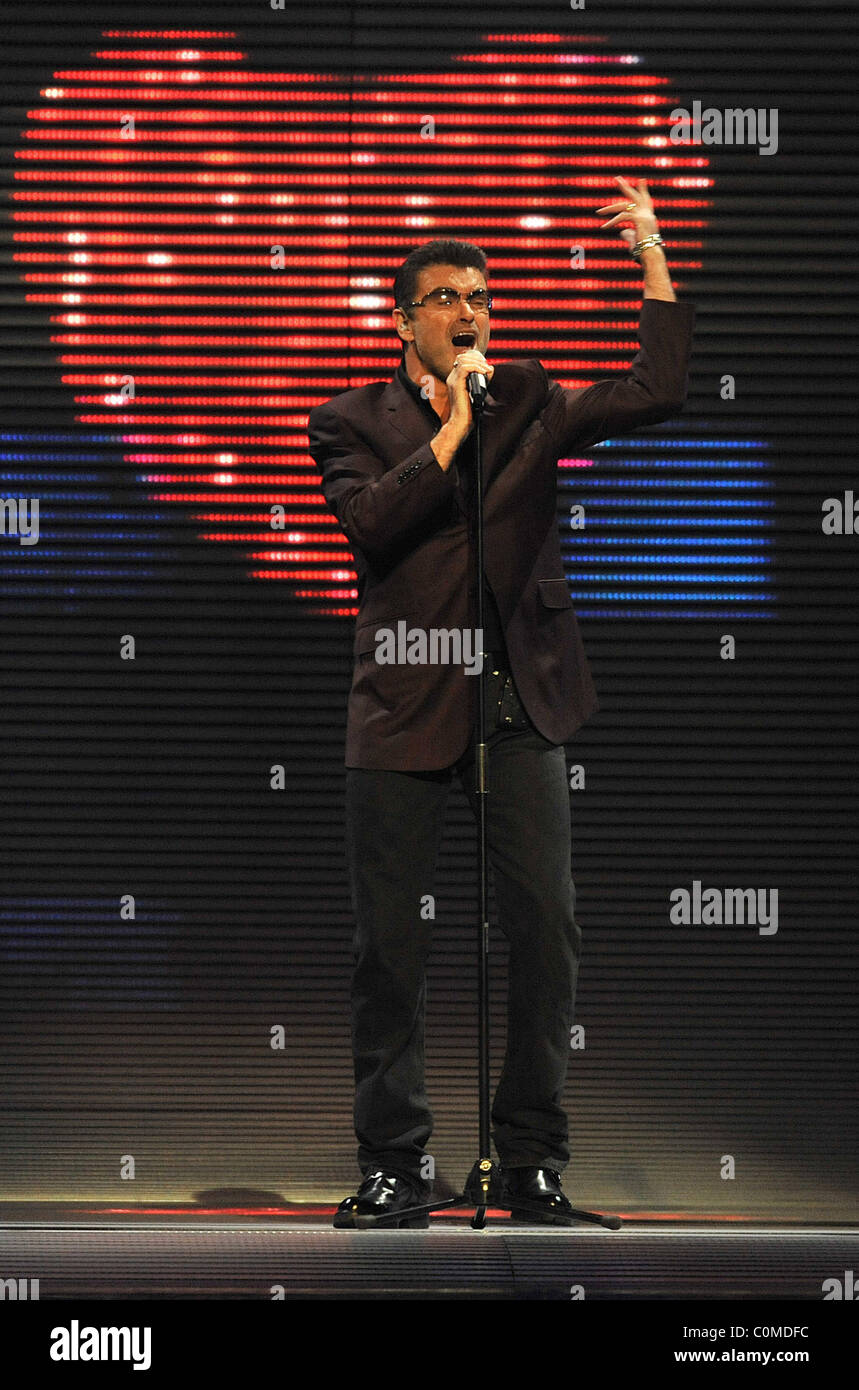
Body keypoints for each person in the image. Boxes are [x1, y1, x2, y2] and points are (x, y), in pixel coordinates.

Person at [307, 177, 695, 1228]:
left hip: (519, 701)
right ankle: (393, 1163)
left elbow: (655, 387)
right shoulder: (347, 421)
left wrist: (650, 250)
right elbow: (373, 526)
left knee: (547, 928)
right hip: (401, 706)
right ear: (402, 319)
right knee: (388, 949)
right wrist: (450, 431)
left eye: (480, 295)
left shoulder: (526, 400)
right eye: (445, 297)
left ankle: (527, 1161)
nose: (469, 312)